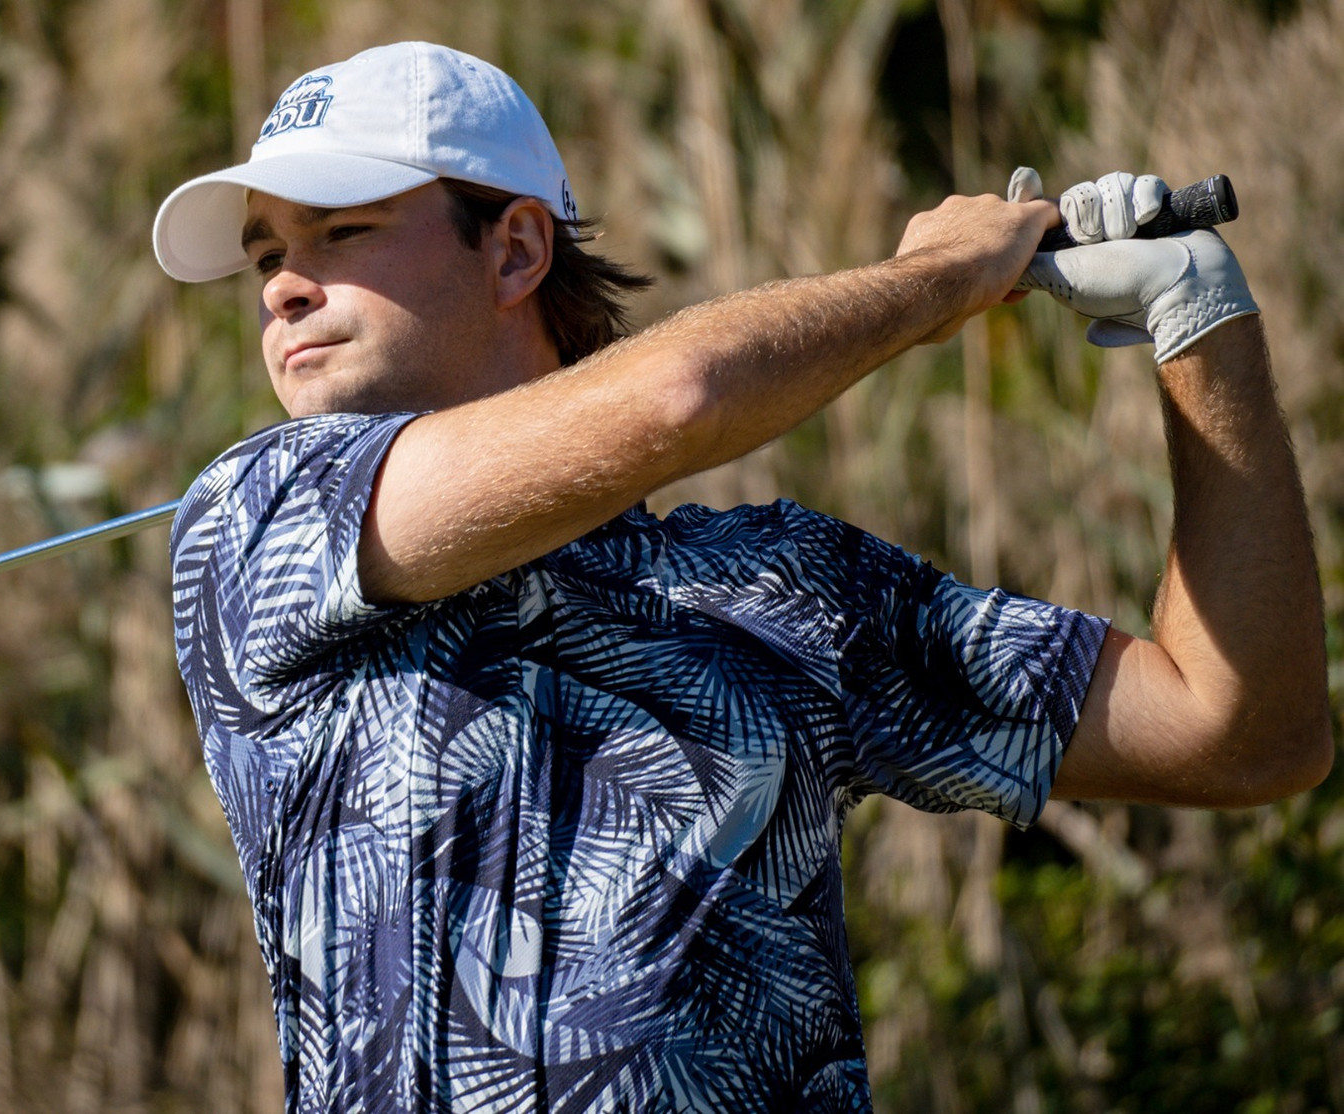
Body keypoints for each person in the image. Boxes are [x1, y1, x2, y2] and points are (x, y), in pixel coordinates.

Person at [152, 40, 1331, 1112]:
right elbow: (678, 400)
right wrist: (936, 279)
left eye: (339, 232)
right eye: (266, 253)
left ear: (514, 246)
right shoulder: (259, 513)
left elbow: (1242, 733)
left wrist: (1200, 322)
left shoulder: (780, 583)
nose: (280, 289)